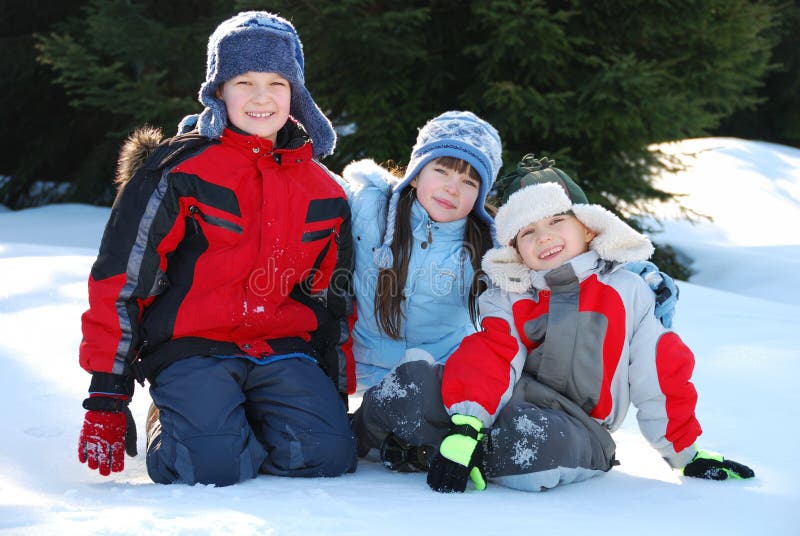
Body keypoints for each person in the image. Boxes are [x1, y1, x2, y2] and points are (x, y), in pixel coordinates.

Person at [76, 11, 357, 486]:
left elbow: (331, 297)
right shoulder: (179, 172)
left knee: (326, 457)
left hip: (282, 348)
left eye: (277, 83)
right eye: (243, 81)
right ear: (218, 91)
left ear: (296, 95)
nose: (262, 97)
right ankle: (175, 418)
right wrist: (108, 392)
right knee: (209, 466)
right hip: (192, 347)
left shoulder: (324, 191)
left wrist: (329, 392)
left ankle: (234, 417)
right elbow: (121, 280)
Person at [423, 156, 754, 492]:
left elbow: (659, 376)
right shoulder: (510, 296)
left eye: (556, 221)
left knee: (529, 439)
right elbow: (493, 354)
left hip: (580, 429)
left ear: (587, 226)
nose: (543, 237)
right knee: (415, 385)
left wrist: (686, 454)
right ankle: (458, 442)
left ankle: (448, 448)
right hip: (506, 404)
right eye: (528, 231)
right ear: (516, 250)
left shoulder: (628, 293)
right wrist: (467, 425)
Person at [341, 111, 502, 465]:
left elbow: (553, 255)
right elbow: (310, 192)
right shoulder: (370, 208)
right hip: (361, 365)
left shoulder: (487, 246)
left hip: (433, 377)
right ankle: (376, 429)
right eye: (441, 171)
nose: (451, 188)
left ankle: (406, 439)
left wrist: (643, 276)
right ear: (415, 175)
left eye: (469, 182)